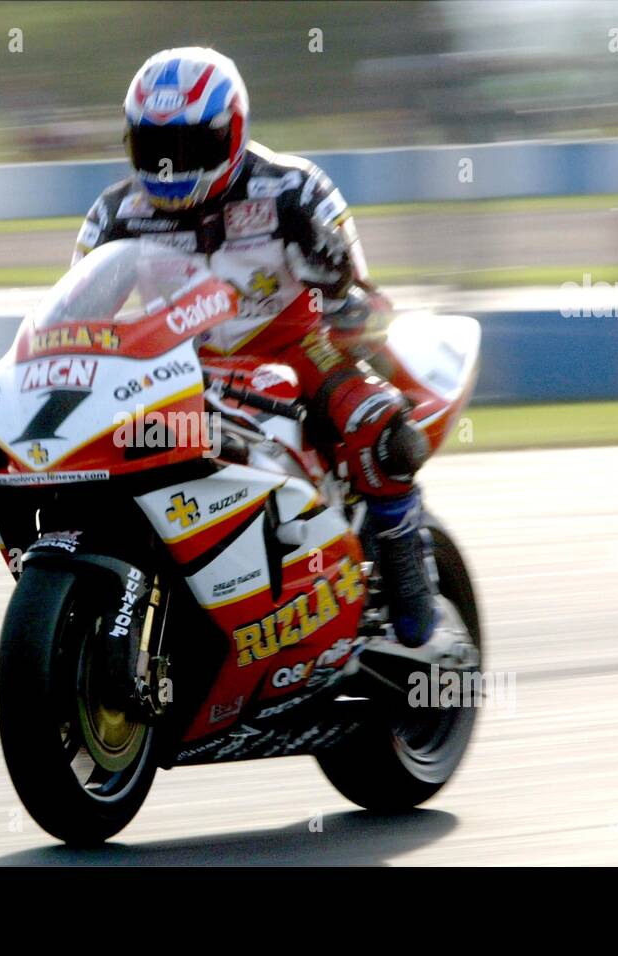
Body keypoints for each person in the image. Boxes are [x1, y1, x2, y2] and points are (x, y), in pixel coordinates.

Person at [73, 47, 469, 665]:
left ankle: (414, 607)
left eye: (188, 144)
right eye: (155, 146)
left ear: (231, 132)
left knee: (375, 425)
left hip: (293, 345)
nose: (171, 164)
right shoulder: (115, 214)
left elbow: (358, 293)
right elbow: (79, 317)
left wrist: (349, 309)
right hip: (175, 363)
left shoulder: (292, 189)